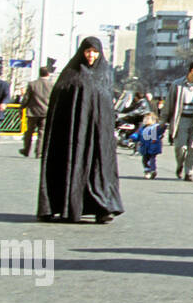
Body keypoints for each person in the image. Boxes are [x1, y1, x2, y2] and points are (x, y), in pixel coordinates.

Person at [37, 37, 123, 223]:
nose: (91, 55)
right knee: (69, 163)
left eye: (94, 51)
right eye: (87, 51)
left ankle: (103, 208)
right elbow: (60, 99)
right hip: (73, 131)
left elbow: (107, 103)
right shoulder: (71, 73)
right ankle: (61, 206)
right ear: (82, 52)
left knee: (99, 168)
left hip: (98, 132)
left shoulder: (105, 73)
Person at [165, 60, 193, 182]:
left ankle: (189, 172)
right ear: (192, 71)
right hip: (181, 120)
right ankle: (180, 164)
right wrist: (163, 120)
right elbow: (169, 102)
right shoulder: (177, 85)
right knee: (180, 147)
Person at [20, 65, 55, 158]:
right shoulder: (51, 85)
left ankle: (26, 150)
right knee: (42, 132)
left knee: (29, 132)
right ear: (48, 74)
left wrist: (22, 107)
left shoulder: (32, 84)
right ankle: (39, 152)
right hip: (45, 112)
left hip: (32, 112)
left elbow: (26, 98)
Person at [138, 111, 165, 179]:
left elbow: (161, 131)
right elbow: (138, 135)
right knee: (145, 159)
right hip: (144, 147)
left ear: (153, 120)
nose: (146, 120)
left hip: (153, 147)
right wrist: (132, 138)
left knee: (152, 159)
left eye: (148, 119)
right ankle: (147, 171)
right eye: (145, 119)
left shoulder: (155, 128)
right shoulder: (142, 128)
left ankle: (152, 170)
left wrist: (164, 125)